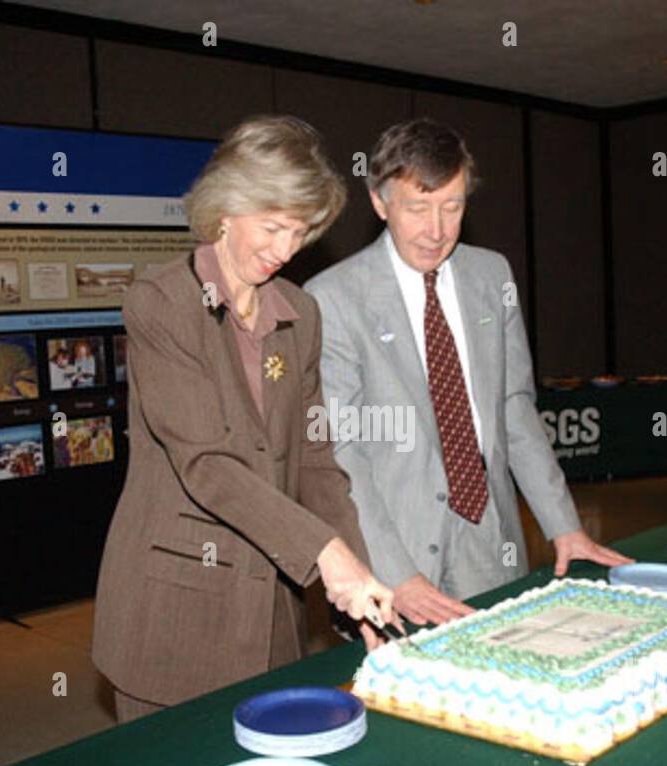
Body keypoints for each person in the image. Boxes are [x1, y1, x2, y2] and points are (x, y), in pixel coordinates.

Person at [92, 116, 398, 723]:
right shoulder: (161, 304)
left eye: (302, 232)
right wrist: (325, 553)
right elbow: (207, 463)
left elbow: (314, 458)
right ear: (227, 207)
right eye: (274, 226)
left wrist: (357, 583)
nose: (286, 250)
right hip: (173, 612)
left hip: (270, 615)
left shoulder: (300, 314)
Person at [305, 118, 632, 627]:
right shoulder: (333, 298)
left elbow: (514, 409)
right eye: (417, 208)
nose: (437, 231)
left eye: (452, 207)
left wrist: (563, 524)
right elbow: (345, 452)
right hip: (395, 543)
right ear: (378, 202)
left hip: (489, 534)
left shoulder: (492, 275)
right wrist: (397, 573)